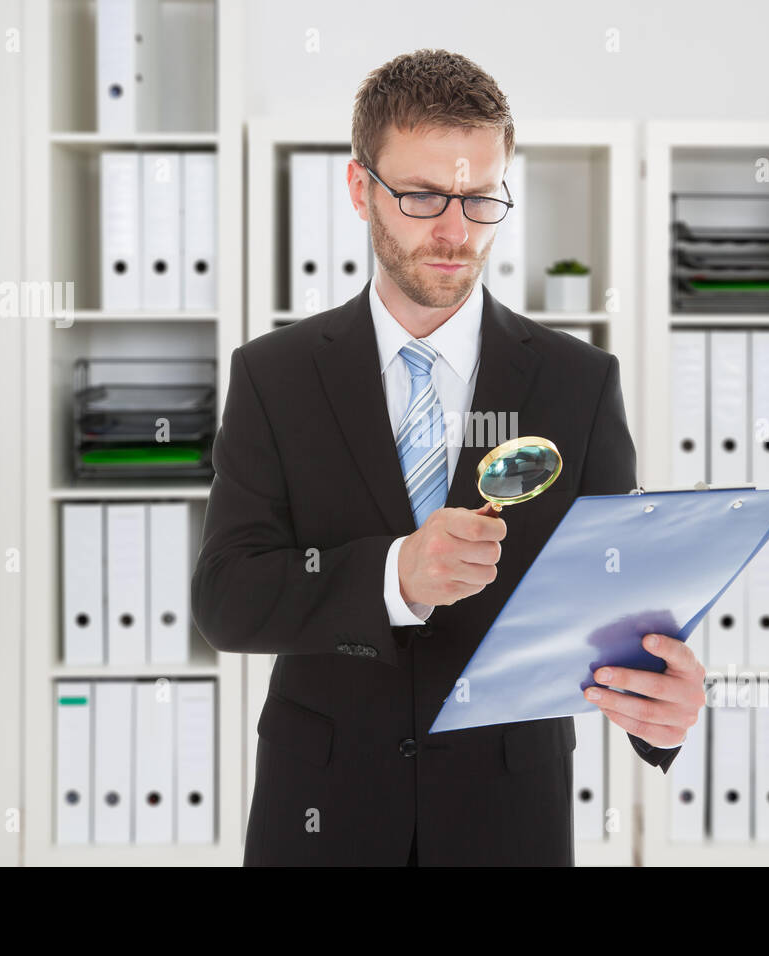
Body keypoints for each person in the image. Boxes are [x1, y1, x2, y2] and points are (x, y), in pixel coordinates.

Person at [191, 49, 704, 866]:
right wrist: (395, 575)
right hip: (322, 812)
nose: (455, 231)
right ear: (362, 190)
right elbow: (228, 597)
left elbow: (620, 602)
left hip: (509, 816)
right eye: (424, 195)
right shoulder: (275, 375)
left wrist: (663, 710)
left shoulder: (578, 381)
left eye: (478, 198)